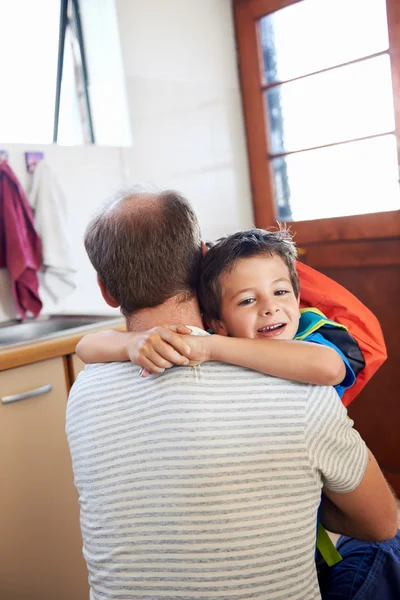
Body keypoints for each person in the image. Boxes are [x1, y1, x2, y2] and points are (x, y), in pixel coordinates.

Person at [66, 185, 398, 600]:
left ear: (105, 289)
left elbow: (87, 346)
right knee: (389, 544)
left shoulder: (84, 392)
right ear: (203, 262)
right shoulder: (296, 385)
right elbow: (382, 523)